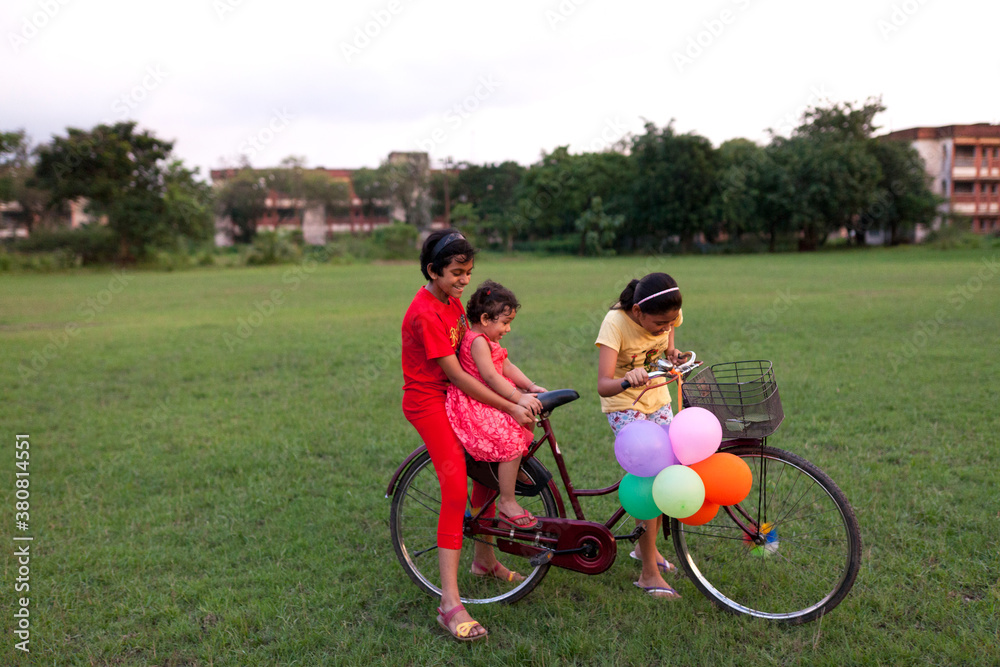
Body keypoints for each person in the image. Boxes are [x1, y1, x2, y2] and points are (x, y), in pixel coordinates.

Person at [401, 230, 536, 641]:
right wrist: (510, 404)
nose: (464, 280)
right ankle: (449, 604)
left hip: (456, 396)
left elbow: (478, 363)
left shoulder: (452, 301)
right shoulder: (426, 312)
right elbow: (456, 373)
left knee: (489, 470)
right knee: (457, 488)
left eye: (468, 272)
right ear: (432, 271)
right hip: (429, 401)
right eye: (457, 273)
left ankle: (484, 561)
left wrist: (520, 391)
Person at [595, 272, 686, 600]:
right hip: (623, 402)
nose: (666, 328)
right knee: (648, 477)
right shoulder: (615, 323)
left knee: (666, 473)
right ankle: (648, 573)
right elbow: (603, 383)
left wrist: (672, 357)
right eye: (659, 323)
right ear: (637, 312)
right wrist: (626, 380)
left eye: (671, 322)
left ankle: (645, 551)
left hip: (657, 397)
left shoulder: (668, 314)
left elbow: (665, 351)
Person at [446, 280, 546, 530]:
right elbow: (491, 376)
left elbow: (507, 367)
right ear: (485, 318)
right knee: (511, 439)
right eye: (505, 322)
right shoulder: (478, 341)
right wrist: (518, 397)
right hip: (473, 404)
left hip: (488, 399)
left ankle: (513, 468)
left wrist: (530, 387)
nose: (508, 329)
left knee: (525, 420)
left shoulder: (490, 340)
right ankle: (507, 500)